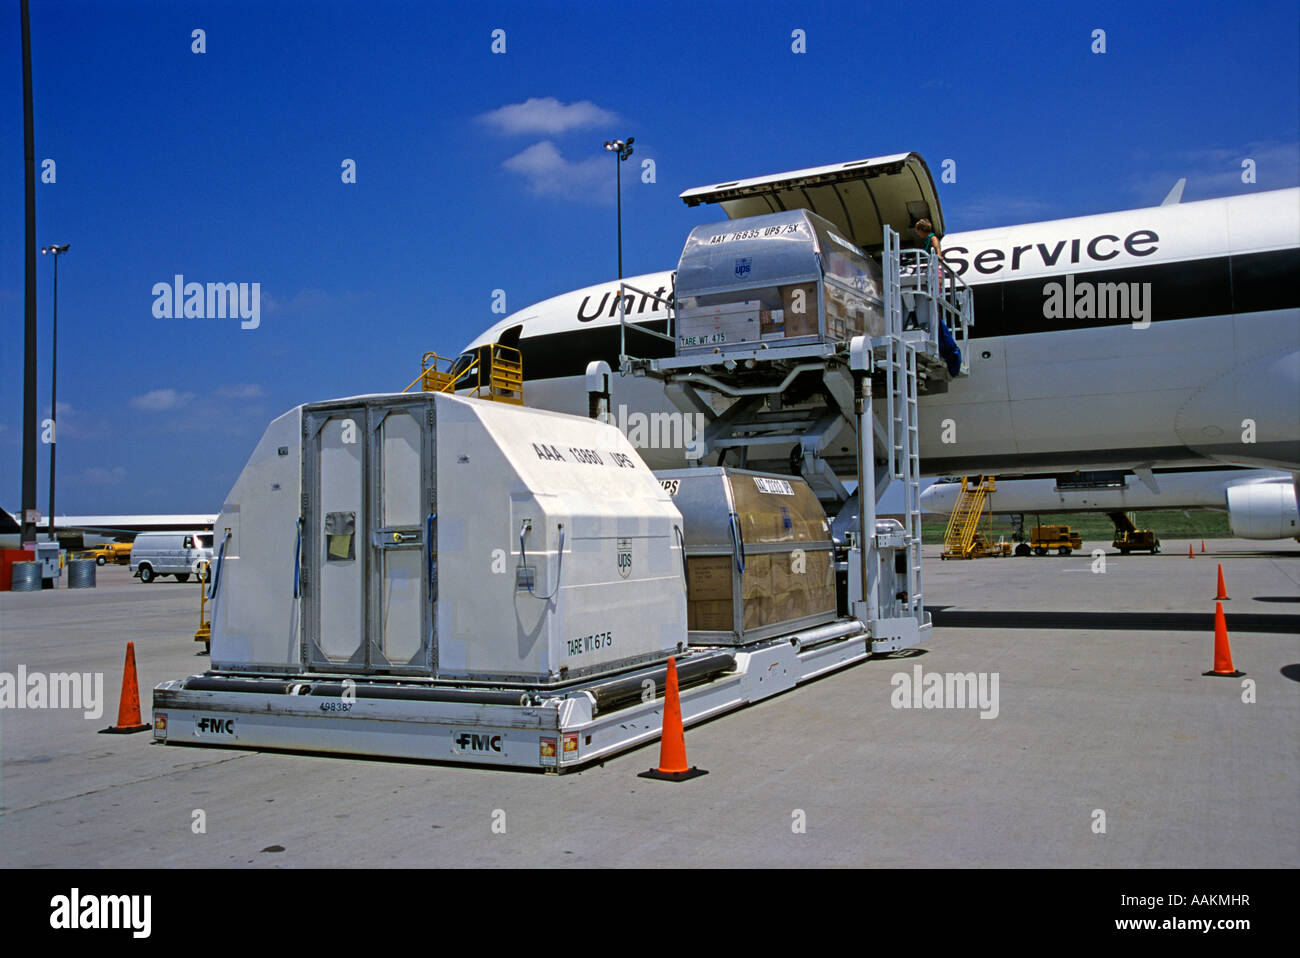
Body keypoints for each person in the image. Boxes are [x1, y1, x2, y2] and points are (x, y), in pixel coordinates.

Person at [912, 219, 962, 376]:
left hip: (935, 272)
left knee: (934, 300)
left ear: (921, 229)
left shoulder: (932, 238)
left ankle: (937, 319)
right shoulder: (927, 239)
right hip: (932, 271)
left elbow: (937, 249)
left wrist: (937, 259)